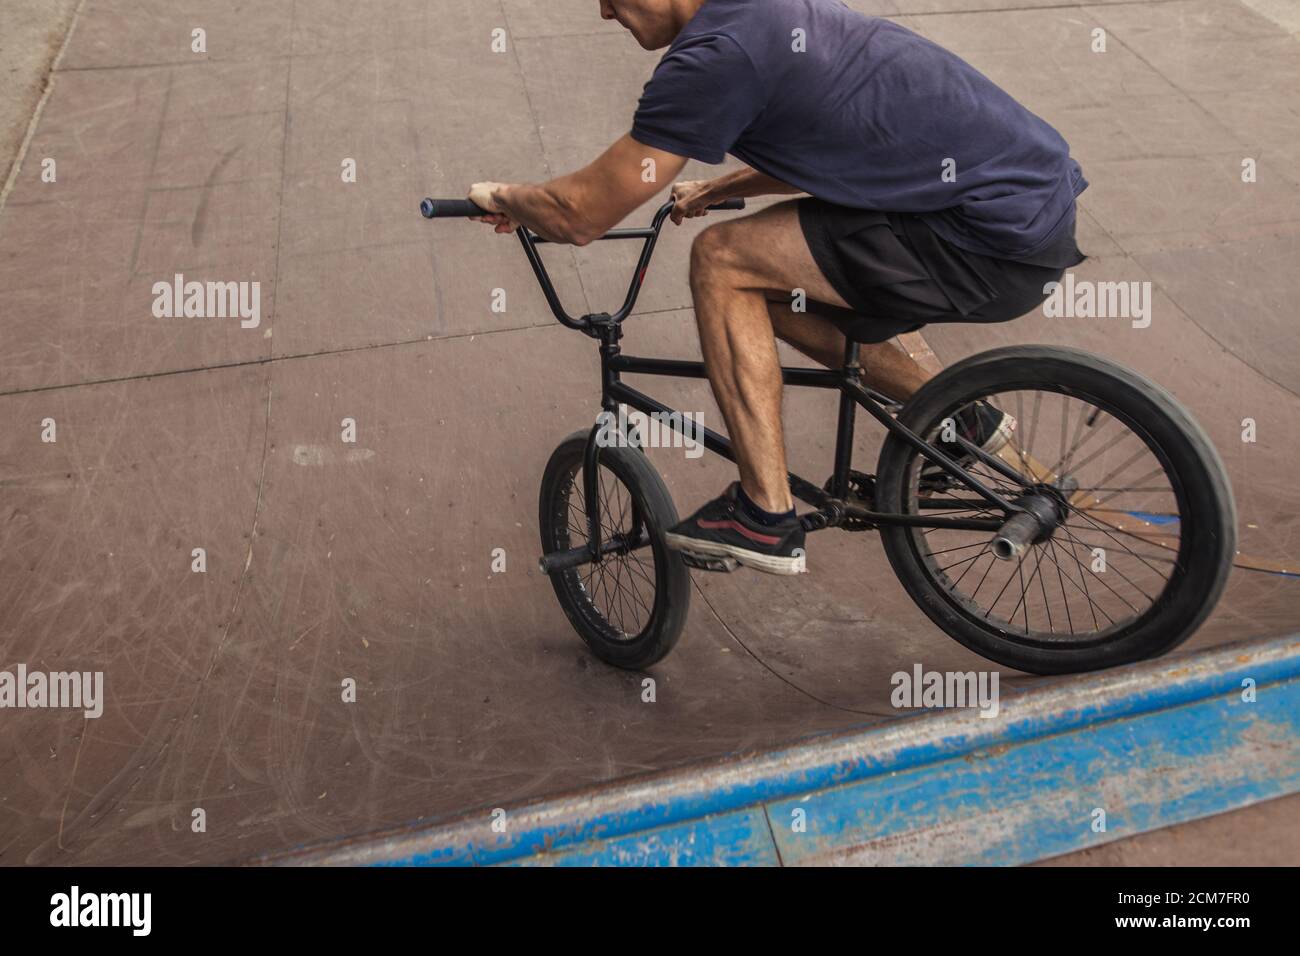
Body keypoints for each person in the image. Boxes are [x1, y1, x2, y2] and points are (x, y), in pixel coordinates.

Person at [466, 0, 1087, 575]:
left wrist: (506, 198)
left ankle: (764, 513)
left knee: (723, 259)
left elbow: (580, 213)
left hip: (982, 234)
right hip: (1023, 203)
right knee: (768, 289)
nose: (604, 11)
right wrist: (717, 186)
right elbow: (834, 132)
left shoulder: (713, 57)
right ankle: (956, 417)